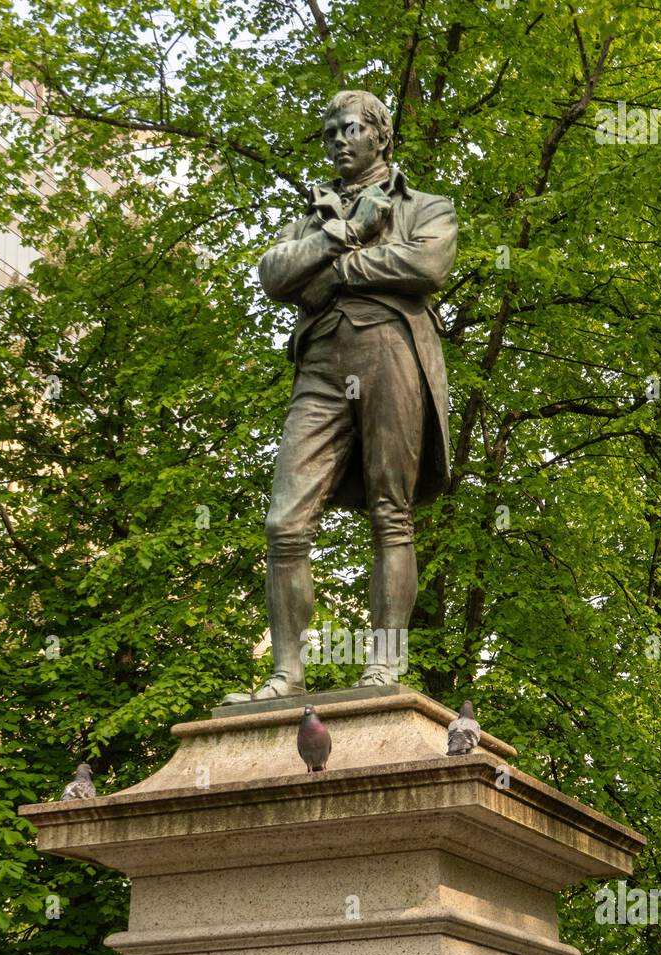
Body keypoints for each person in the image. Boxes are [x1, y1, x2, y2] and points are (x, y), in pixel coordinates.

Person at [223, 89, 457, 703]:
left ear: (380, 135)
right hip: (322, 364)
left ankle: (384, 667)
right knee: (283, 522)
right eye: (328, 133)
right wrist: (348, 234)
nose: (337, 141)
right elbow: (274, 274)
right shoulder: (314, 217)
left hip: (391, 352)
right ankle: (286, 675)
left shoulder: (428, 206)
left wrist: (335, 273)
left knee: (391, 514)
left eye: (349, 129)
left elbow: (426, 268)